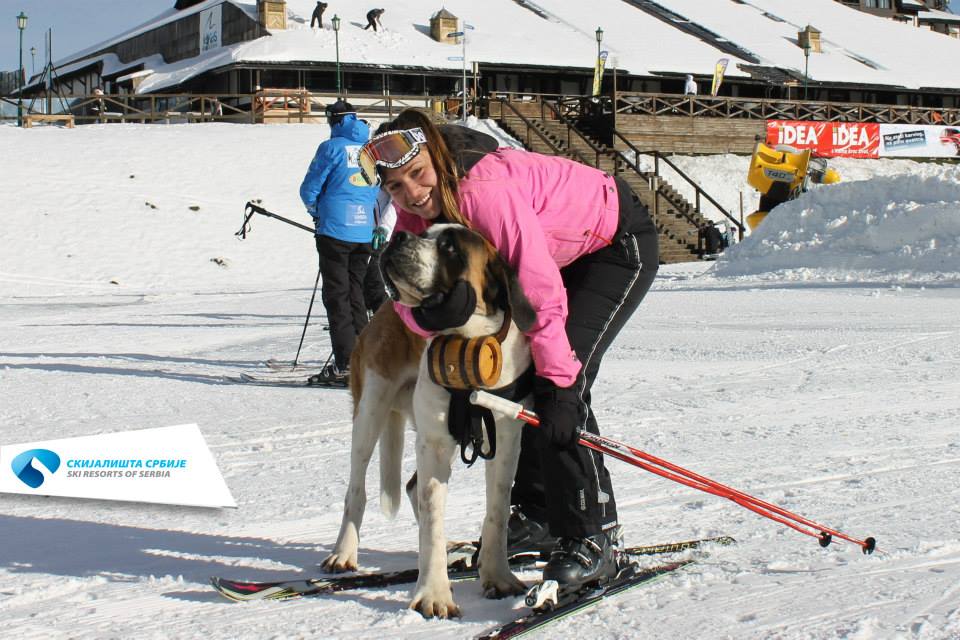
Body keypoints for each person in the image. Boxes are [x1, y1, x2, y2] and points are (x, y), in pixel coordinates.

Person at [359, 109, 659, 589]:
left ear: (436, 157)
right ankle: (539, 513)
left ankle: (593, 535)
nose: (412, 193)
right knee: (519, 386)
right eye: (395, 187)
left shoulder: (485, 193)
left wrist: (560, 388)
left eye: (417, 175)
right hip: (558, 254)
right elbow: (398, 294)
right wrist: (427, 317)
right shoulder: (413, 218)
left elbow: (539, 293)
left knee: (559, 381)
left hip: (613, 243)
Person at [299, 100, 379, 386]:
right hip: (363, 233)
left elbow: (309, 189)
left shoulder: (330, 148)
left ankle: (346, 363)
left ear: (334, 120)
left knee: (337, 297)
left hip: (334, 230)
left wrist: (316, 211)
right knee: (356, 294)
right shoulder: (370, 149)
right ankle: (368, 359)